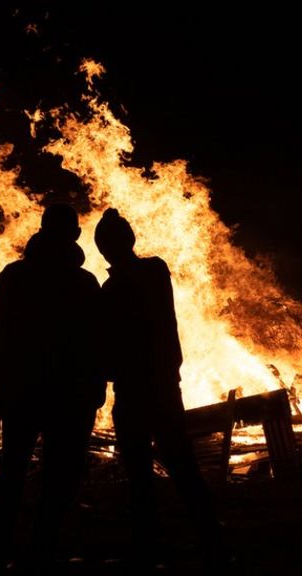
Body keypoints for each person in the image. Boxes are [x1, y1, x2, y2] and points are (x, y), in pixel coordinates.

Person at [94, 208, 225, 571]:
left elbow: (108, 345)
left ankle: (148, 545)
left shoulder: (117, 287)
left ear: (105, 250)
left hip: (135, 391)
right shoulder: (155, 272)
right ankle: (209, 540)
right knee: (183, 466)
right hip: (167, 386)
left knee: (139, 473)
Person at [0, 203, 105, 572]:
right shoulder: (83, 283)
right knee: (58, 475)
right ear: (75, 236)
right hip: (68, 396)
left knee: (15, 469)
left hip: (25, 393)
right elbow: (97, 342)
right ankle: (42, 549)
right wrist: (95, 388)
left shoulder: (15, 276)